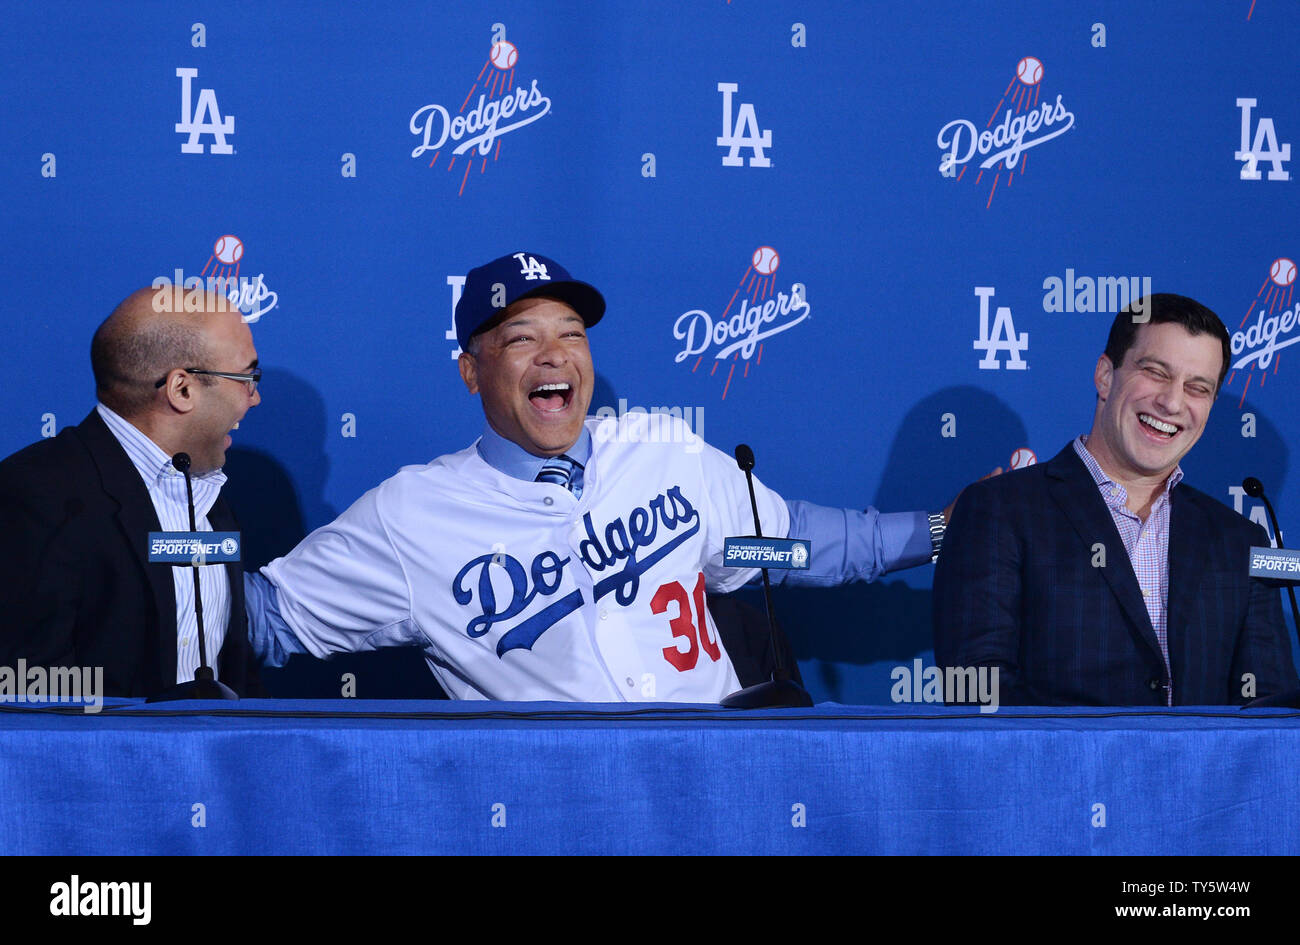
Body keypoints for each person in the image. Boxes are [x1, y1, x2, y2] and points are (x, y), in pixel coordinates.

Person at [245, 251, 975, 702]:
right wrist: (156, 551)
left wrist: (947, 531)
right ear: (471, 371)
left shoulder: (665, 453)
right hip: (559, 811)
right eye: (522, 338)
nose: (555, 356)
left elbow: (784, 550)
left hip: (717, 777)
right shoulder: (411, 514)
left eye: (572, 334)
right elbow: (267, 618)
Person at [934, 294, 1299, 706]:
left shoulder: (1240, 539)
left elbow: (1270, 710)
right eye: (1156, 372)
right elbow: (976, 690)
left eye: (1197, 388)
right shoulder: (998, 510)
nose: (1173, 402)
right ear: (1105, 375)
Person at [0, 286, 265, 697]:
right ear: (182, 389)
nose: (255, 397)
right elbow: (30, 693)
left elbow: (233, 663)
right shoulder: (38, 495)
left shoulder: (208, 492)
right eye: (247, 377)